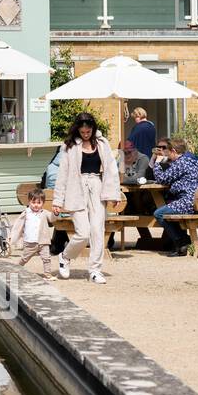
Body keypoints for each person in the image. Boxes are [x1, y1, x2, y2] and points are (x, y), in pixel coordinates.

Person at [52, 112, 121, 284]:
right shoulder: (69, 147)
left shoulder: (102, 143)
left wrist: (114, 193)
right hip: (76, 188)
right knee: (83, 233)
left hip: (97, 186)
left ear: (92, 128)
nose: (85, 134)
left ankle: (95, 270)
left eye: (88, 131)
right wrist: (57, 201)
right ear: (78, 130)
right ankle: (65, 256)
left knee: (98, 230)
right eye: (82, 131)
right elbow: (62, 175)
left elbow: (111, 169)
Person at [151, 137, 198, 257]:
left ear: (174, 151)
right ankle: (183, 241)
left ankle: (181, 243)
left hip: (188, 201)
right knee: (169, 205)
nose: (167, 154)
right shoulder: (193, 161)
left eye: (168, 152)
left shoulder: (181, 163)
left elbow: (162, 179)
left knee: (159, 213)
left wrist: (157, 163)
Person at [10, 188, 55, 279]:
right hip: (30, 242)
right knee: (24, 258)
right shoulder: (26, 213)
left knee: (47, 258)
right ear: (29, 202)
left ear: (43, 203)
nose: (36, 205)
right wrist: (13, 237)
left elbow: (52, 218)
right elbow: (18, 225)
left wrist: (56, 214)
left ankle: (48, 274)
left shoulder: (44, 213)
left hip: (43, 241)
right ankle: (16, 269)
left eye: (39, 203)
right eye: (33, 202)